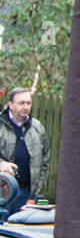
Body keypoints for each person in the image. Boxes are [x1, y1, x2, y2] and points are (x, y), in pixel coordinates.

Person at [0, 88, 50, 222]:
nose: (26, 107)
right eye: (21, 103)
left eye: (28, 103)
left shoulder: (37, 127)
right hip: (2, 194)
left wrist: (38, 186)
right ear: (10, 104)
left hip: (27, 194)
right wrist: (1, 165)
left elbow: (45, 159)